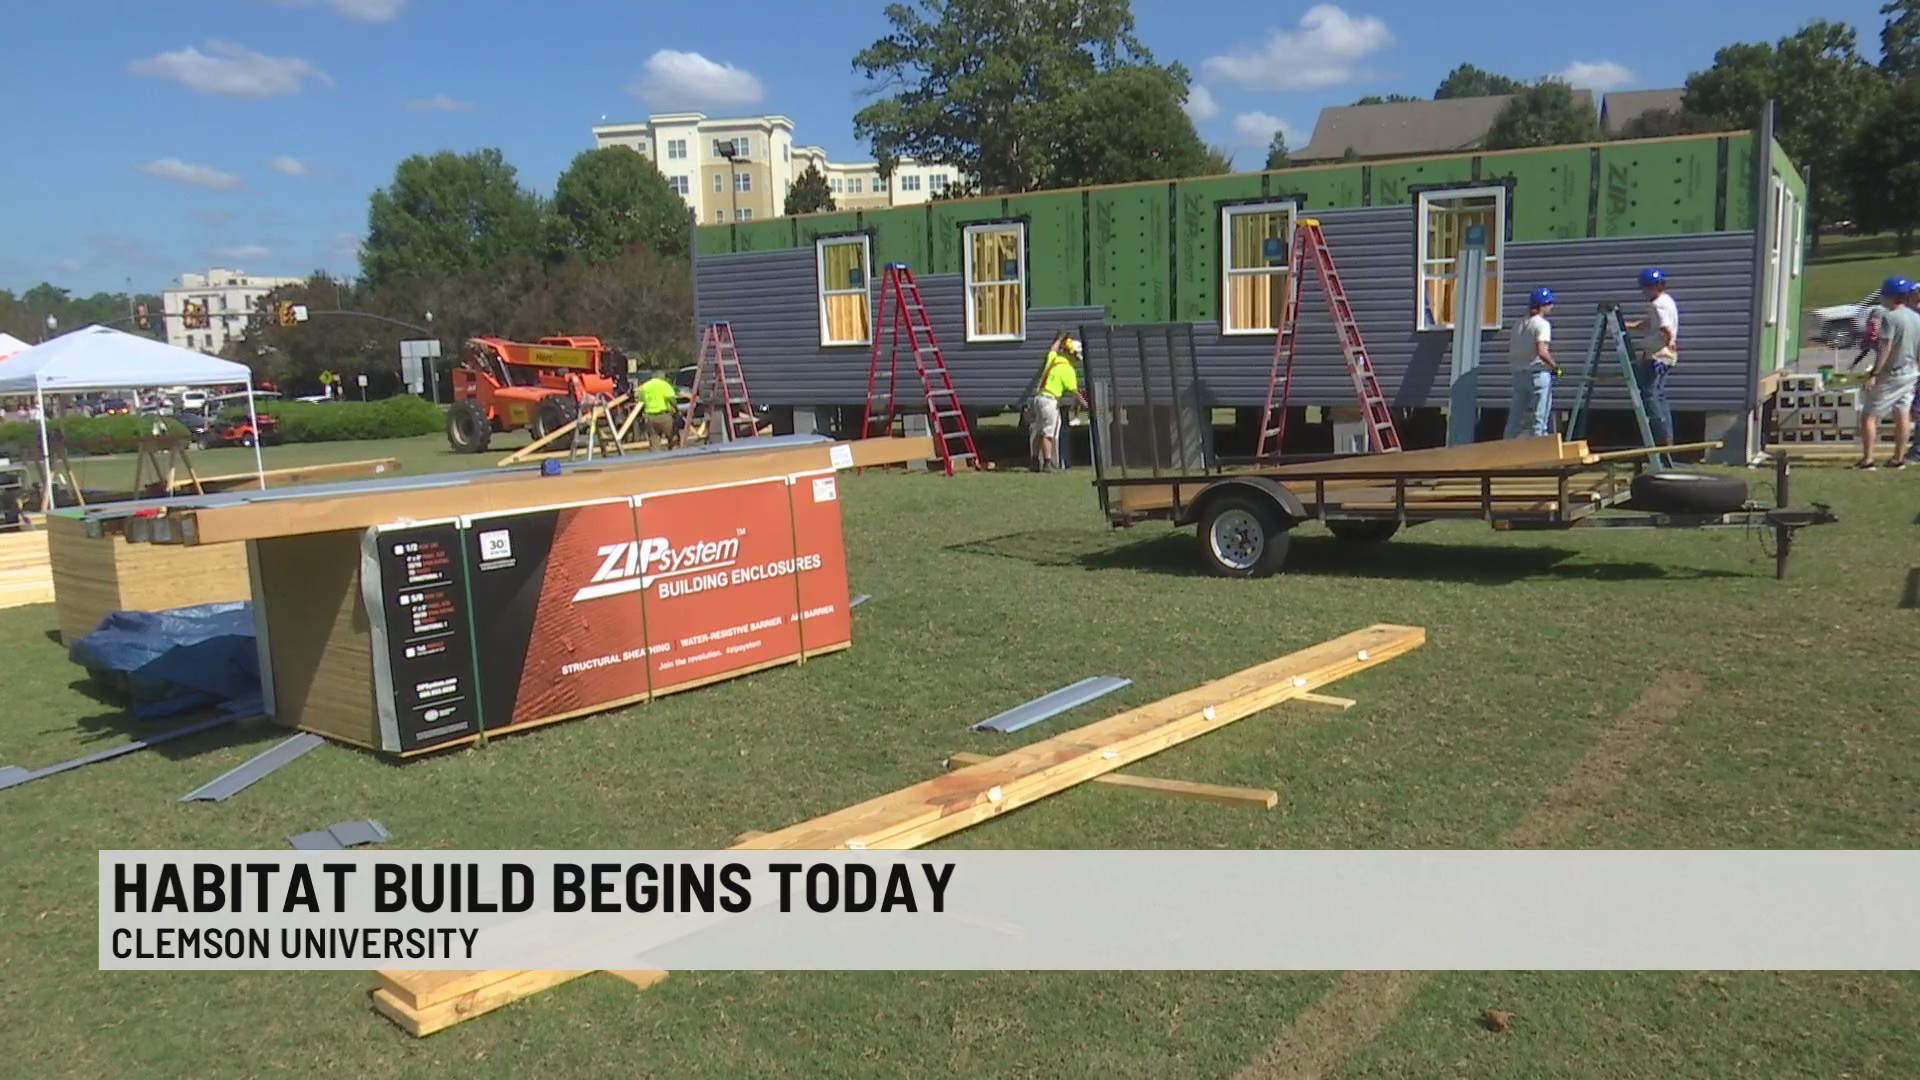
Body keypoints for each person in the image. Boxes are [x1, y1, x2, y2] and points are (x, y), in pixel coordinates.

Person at [1858, 275, 1917, 470]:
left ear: (1889, 296)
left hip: (1891, 373)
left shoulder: (1889, 318)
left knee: (1869, 415)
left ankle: (1868, 460)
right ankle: (1898, 458)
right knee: (1903, 414)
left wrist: (1875, 373)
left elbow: (1885, 347)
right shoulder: (1916, 317)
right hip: (1910, 372)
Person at [1623, 267, 1678, 446]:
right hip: (1665, 355)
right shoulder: (1667, 301)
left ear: (1653, 287)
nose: (1643, 292)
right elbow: (1648, 325)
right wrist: (1628, 326)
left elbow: (1664, 328)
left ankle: (1661, 434)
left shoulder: (1658, 304)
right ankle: (1666, 434)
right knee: (1659, 394)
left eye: (1645, 288)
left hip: (1657, 354)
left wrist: (1669, 342)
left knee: (1649, 394)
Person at [1504, 286, 1559, 438]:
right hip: (1537, 374)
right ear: (1542, 306)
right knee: (1539, 420)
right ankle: (1540, 453)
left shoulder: (1518, 324)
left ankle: (1506, 449)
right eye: (1549, 304)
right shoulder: (1542, 324)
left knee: (1514, 418)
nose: (1551, 307)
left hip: (1518, 374)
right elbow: (1541, 351)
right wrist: (1555, 367)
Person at [1028, 333, 1087, 471]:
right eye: (1076, 357)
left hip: (1038, 398)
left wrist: (1059, 339)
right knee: (1048, 431)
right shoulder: (1068, 370)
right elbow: (1075, 392)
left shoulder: (1053, 360)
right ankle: (1048, 463)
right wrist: (1085, 404)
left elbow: (1052, 350)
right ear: (1071, 354)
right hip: (1049, 401)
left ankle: (1035, 461)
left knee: (1037, 430)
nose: (1076, 360)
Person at [636, 369, 679, 451]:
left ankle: (655, 459)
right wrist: (676, 410)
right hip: (664, 416)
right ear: (662, 377)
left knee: (654, 441)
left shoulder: (645, 386)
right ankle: (674, 456)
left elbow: (641, 400)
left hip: (650, 418)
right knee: (673, 438)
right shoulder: (664, 385)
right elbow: (671, 399)